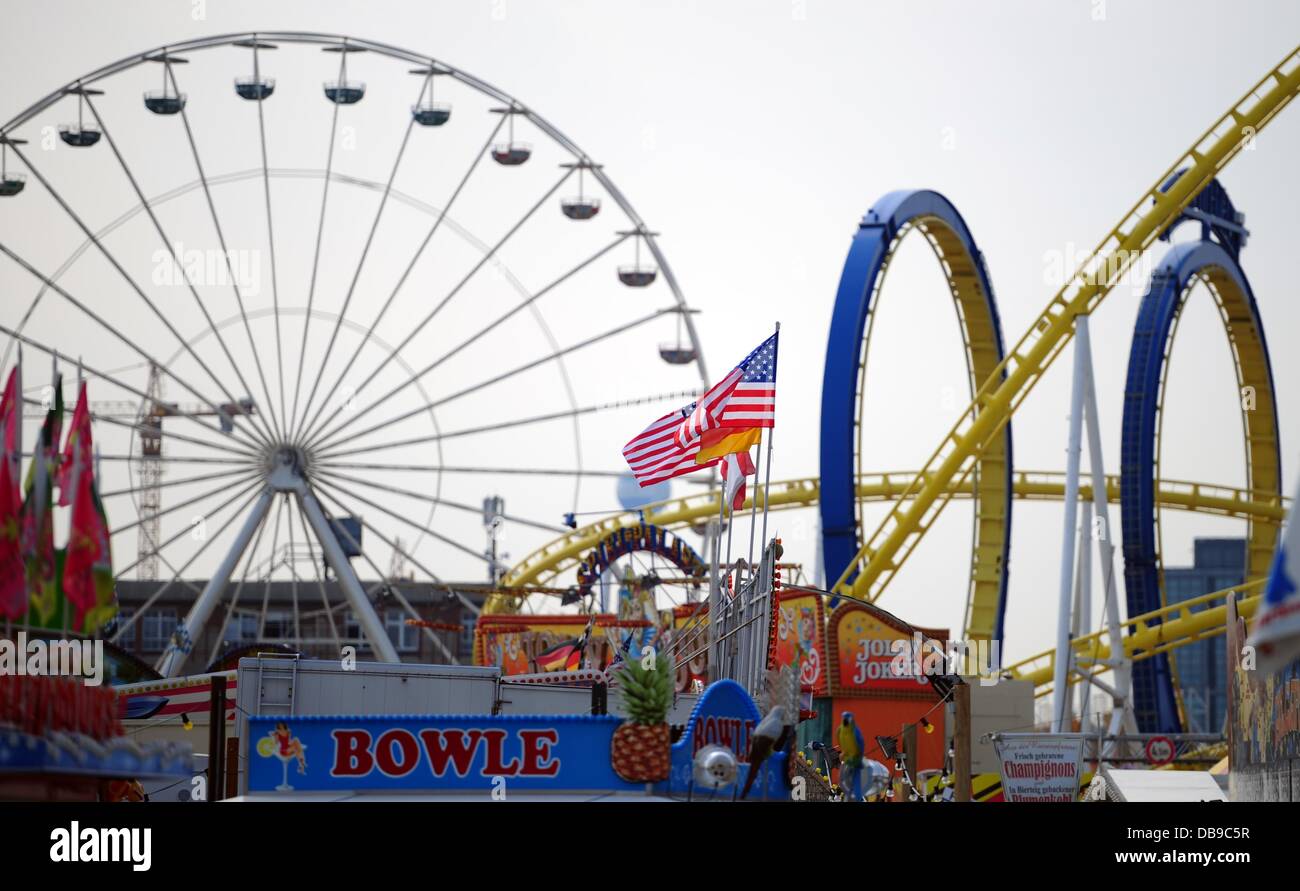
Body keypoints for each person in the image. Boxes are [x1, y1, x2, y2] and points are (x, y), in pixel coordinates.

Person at [836, 711, 865, 802]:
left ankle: (856, 798)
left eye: (848, 718)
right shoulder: (840, 730)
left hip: (855, 759)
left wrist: (858, 756)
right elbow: (842, 745)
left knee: (854, 781)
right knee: (843, 781)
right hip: (847, 759)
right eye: (844, 717)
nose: (845, 720)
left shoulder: (855, 731)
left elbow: (860, 745)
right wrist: (843, 754)